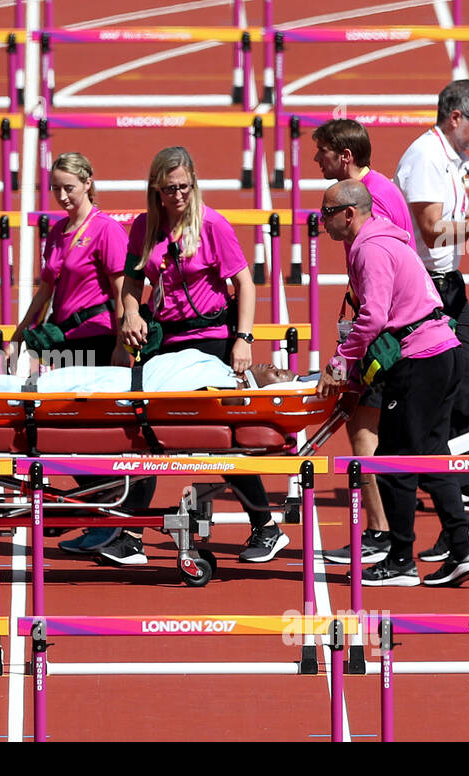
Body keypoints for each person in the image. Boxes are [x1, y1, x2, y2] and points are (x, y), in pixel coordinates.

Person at [119, 146, 288, 567]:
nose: (177, 195)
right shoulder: (144, 227)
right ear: (156, 191)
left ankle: (265, 527)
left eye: (184, 187)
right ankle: (128, 534)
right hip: (167, 341)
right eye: (169, 189)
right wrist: (130, 313)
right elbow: (131, 282)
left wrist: (244, 339)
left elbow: (245, 284)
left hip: (212, 338)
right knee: (148, 434)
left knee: (220, 436)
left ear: (193, 184)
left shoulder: (212, 225)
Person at [317, 180, 469, 587]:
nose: (322, 223)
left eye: (326, 214)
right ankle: (462, 549)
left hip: (420, 360)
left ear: (349, 214)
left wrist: (340, 360)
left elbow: (372, 317)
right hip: (444, 351)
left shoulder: (369, 249)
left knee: (393, 460)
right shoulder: (389, 239)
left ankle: (400, 557)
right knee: (430, 453)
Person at [395, 79, 469, 560]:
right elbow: (433, 230)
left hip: (448, 284)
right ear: (454, 116)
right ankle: (446, 481)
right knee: (446, 388)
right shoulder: (425, 157)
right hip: (424, 288)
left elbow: (451, 217)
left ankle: (456, 473)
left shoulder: (452, 160)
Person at [12, 152, 141, 558]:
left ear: (88, 183)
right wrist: (20, 334)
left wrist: (124, 347)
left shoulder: (106, 231)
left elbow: (124, 293)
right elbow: (46, 291)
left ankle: (121, 527)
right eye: (56, 188)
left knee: (103, 432)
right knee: (70, 432)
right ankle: (98, 517)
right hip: (67, 344)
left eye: (69, 187)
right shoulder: (57, 231)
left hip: (99, 341)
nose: (62, 195)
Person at [311, 119, 413, 564]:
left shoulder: (375, 199)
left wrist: (344, 355)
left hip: (387, 334)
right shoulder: (375, 190)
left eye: (323, 153)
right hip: (386, 327)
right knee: (375, 429)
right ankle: (408, 529)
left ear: (345, 157)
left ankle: (381, 533)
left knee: (362, 427)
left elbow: (386, 271)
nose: (317, 160)